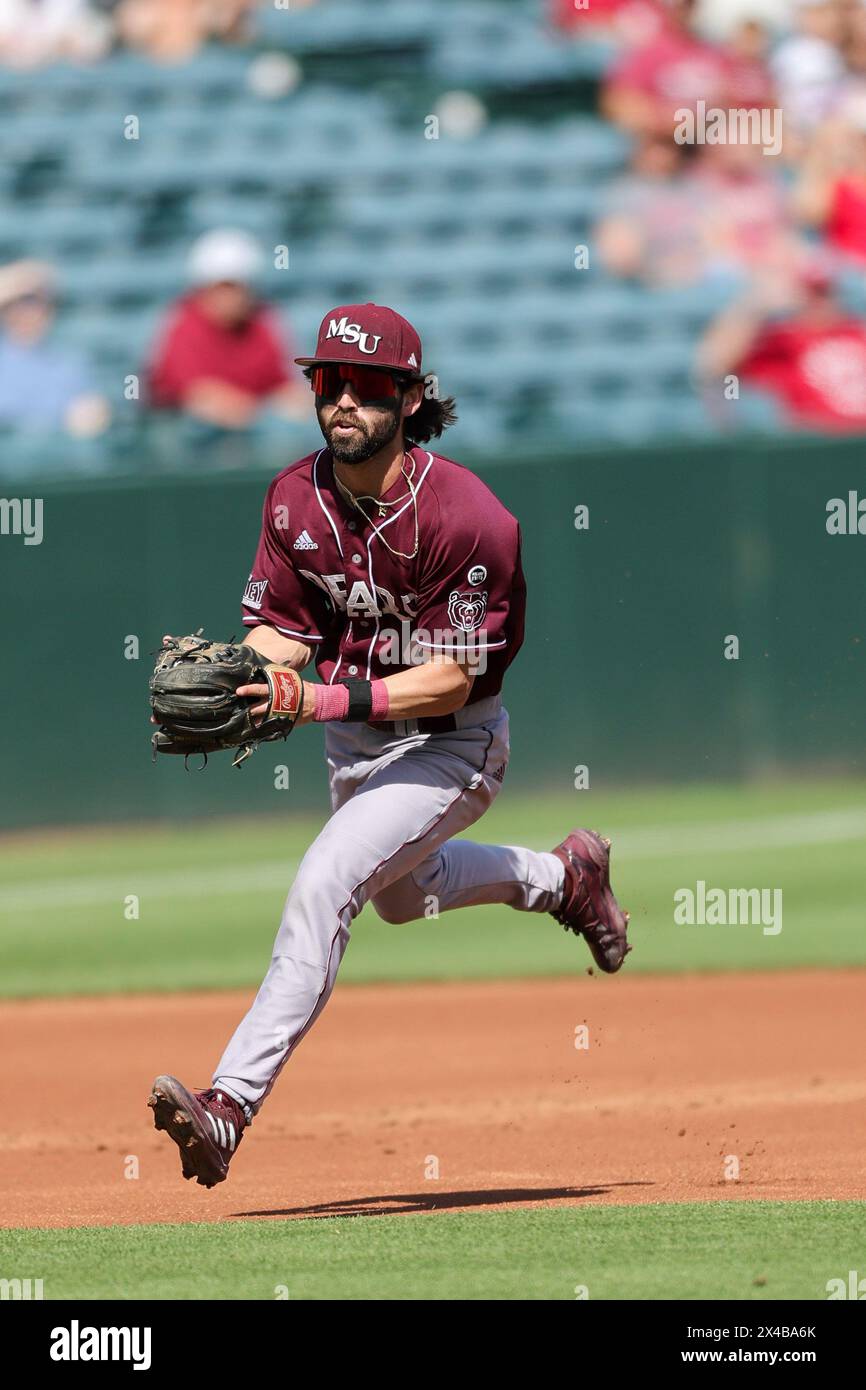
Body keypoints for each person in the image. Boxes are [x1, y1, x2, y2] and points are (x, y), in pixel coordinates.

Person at [147, 302, 632, 1188]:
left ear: (408, 398)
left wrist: (315, 697)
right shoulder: (295, 497)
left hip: (452, 744)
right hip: (356, 739)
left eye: (367, 386)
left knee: (328, 882)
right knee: (403, 900)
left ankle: (228, 1104)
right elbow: (282, 635)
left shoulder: (469, 517)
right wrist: (253, 682)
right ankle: (568, 878)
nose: (343, 401)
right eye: (329, 381)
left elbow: (449, 679)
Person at [147, 229, 307, 430]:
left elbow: (288, 389)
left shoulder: (262, 322)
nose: (231, 297)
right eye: (224, 287)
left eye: (236, 287)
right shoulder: (183, 324)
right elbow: (199, 396)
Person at [696, 258, 866, 430]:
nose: (821, 302)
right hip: (821, 439)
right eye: (812, 294)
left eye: (826, 293)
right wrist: (757, 304)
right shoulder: (781, 339)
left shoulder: (855, 330)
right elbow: (717, 365)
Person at [0, 260, 110, 436]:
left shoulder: (71, 363)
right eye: (22, 302)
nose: (30, 312)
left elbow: (90, 413)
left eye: (39, 303)